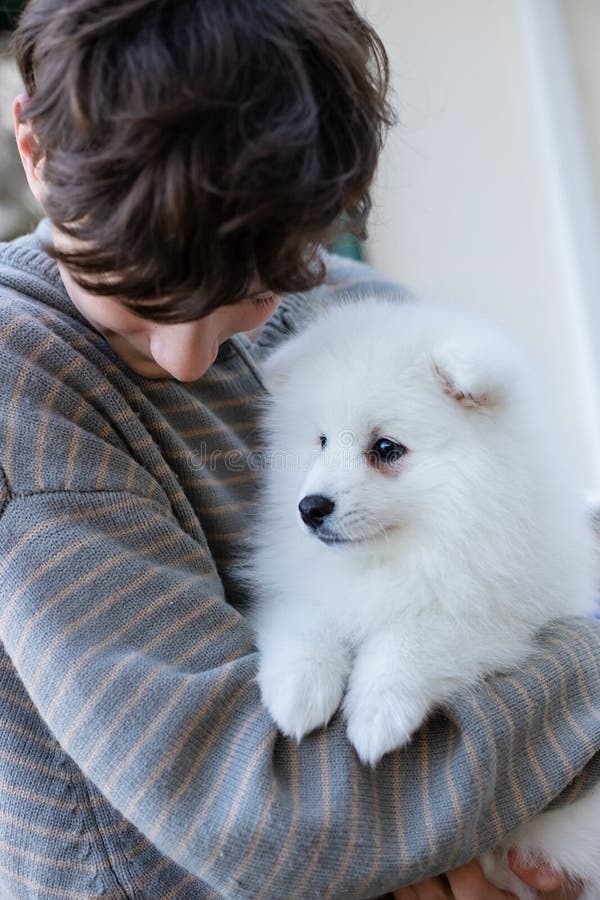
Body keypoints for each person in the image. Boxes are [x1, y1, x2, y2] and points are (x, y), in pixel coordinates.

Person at [0, 1, 598, 898]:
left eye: (255, 294)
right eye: (139, 299)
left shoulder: (353, 312)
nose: (192, 358)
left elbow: (517, 538)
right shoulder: (24, 387)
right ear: (33, 152)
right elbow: (273, 821)